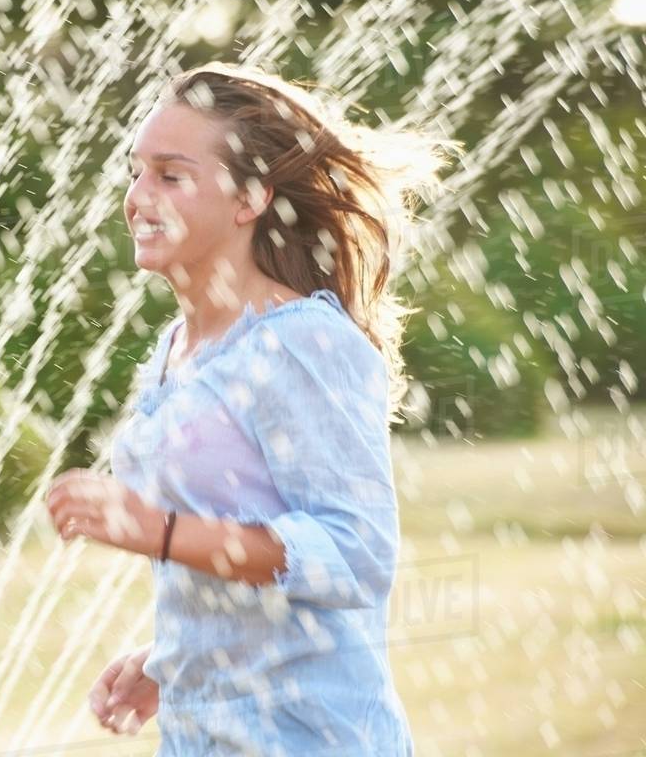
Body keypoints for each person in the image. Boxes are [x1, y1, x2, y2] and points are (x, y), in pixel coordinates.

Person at [45, 61, 453, 755]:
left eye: (170, 175)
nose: (138, 198)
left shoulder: (302, 344)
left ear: (251, 199)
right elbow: (244, 548)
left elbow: (356, 555)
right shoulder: (179, 346)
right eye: (135, 172)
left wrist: (158, 529)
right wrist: (170, 662)